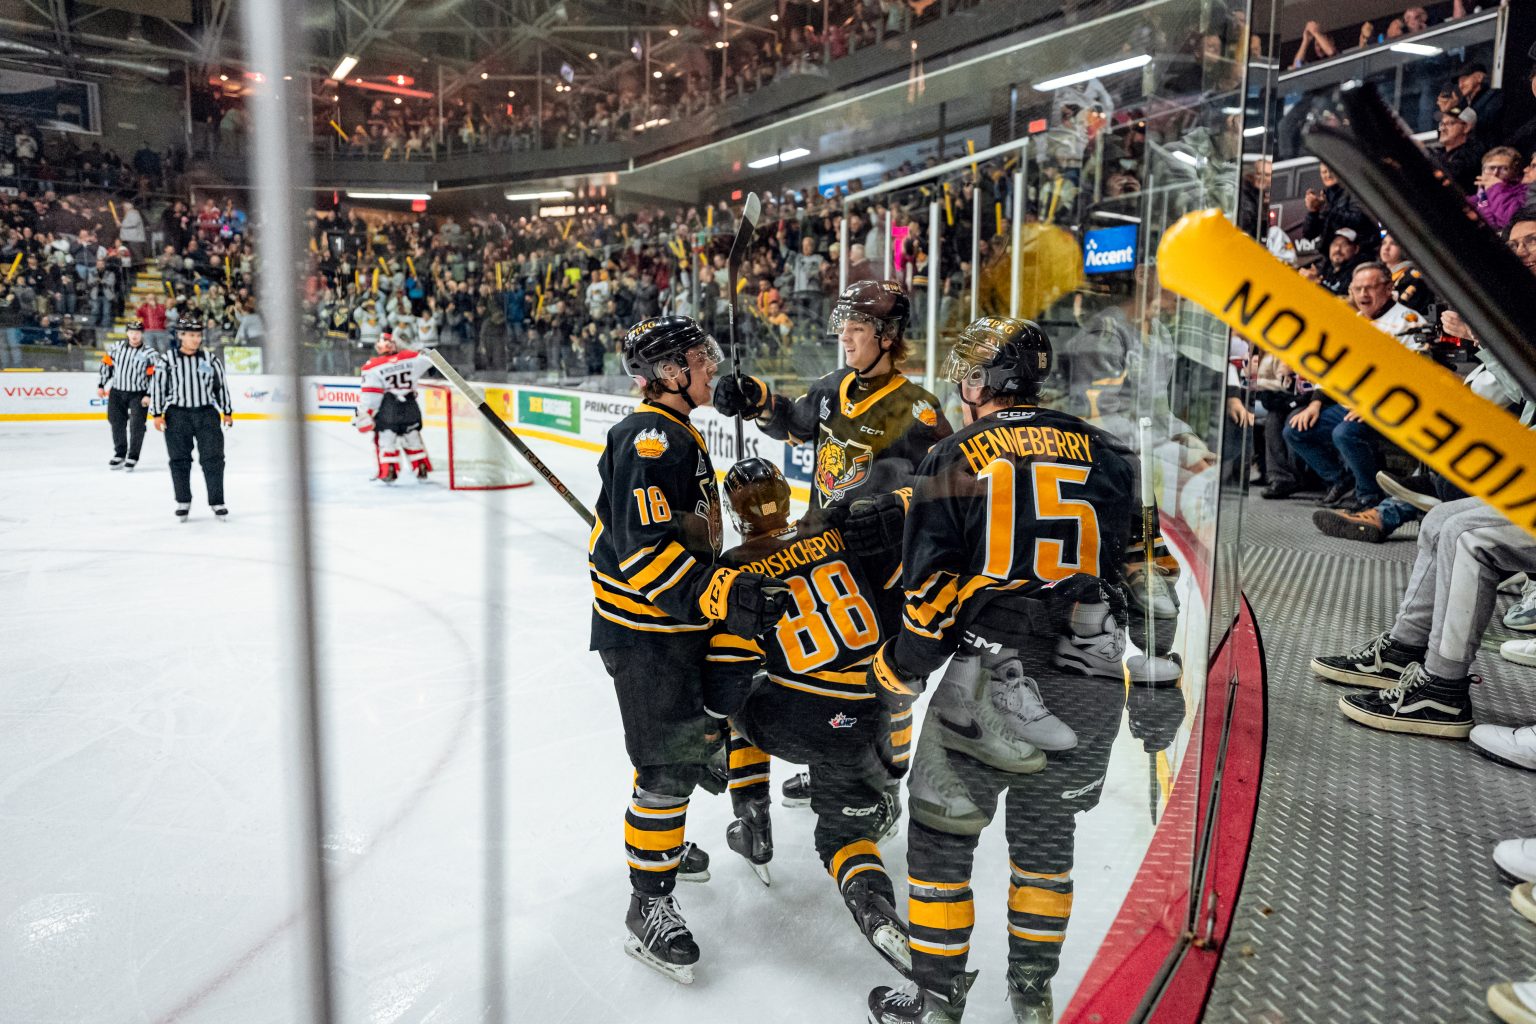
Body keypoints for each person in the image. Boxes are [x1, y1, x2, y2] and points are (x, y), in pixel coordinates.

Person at [863, 317, 1180, 1024]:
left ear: (982, 380)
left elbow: (930, 601)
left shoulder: (953, 452)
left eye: (967, 372)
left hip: (990, 670)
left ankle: (937, 997)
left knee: (943, 839)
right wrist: (1162, 676)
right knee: (1047, 842)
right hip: (1089, 672)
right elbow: (1151, 582)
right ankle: (1032, 992)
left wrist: (900, 672)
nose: (960, 383)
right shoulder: (1111, 452)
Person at [589, 315, 790, 985]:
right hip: (646, 634)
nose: (711, 366)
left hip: (672, 625)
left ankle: (665, 843)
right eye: (699, 359)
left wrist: (719, 586)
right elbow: (645, 560)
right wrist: (722, 594)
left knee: (696, 740)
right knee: (666, 770)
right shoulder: (648, 440)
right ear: (670, 374)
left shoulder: (676, 432)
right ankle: (647, 905)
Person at [715, 279, 952, 805]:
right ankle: (834, 757)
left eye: (857, 328)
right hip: (824, 552)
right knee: (824, 664)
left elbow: (950, 488)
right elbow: (793, 424)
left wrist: (902, 505)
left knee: (889, 680)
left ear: (887, 336)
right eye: (842, 326)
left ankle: (887, 781)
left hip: (885, 567)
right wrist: (755, 397)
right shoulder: (833, 386)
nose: (845, 337)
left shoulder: (918, 409)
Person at [703, 457, 911, 975]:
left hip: (796, 722)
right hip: (870, 723)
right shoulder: (838, 533)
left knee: (741, 697)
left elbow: (727, 679)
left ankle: (753, 818)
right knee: (843, 839)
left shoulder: (734, 566)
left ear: (735, 512)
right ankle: (872, 905)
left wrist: (707, 725)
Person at [149, 317, 233, 522]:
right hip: (177, 415)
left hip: (206, 414)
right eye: (191, 335)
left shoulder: (210, 359)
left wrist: (227, 411)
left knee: (213, 459)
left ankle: (217, 502)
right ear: (181, 336)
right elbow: (158, 387)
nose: (196, 339)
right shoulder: (167, 359)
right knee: (179, 460)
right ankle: (183, 501)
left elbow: (220, 386)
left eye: (198, 335)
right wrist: (157, 414)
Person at [352, 331, 433, 482]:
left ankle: (389, 470)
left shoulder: (373, 366)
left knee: (386, 440)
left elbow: (371, 397)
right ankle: (421, 467)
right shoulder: (412, 357)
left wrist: (364, 414)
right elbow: (430, 360)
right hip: (411, 407)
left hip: (389, 410)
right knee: (413, 437)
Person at [96, 319, 156, 470]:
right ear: (127, 333)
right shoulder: (115, 348)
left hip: (139, 393)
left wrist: (149, 394)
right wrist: (101, 384)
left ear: (142, 334)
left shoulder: (150, 353)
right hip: (117, 391)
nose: (134, 335)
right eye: (131, 332)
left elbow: (155, 376)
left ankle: (133, 456)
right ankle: (120, 453)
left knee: (137, 425)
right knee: (115, 421)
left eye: (137, 332)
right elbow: (106, 366)